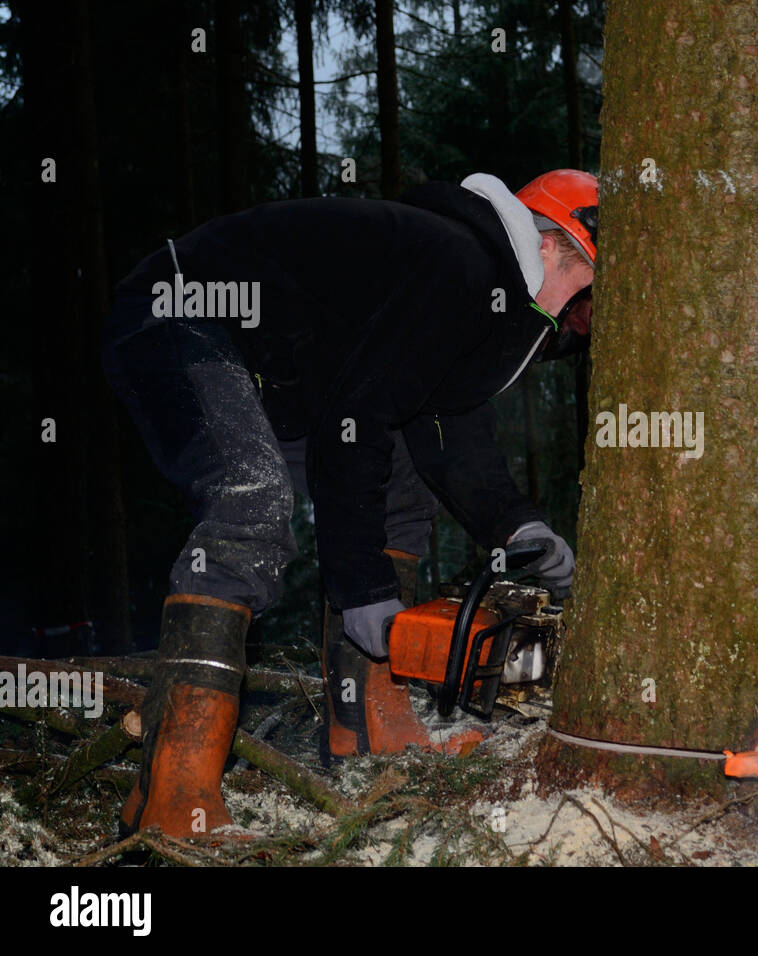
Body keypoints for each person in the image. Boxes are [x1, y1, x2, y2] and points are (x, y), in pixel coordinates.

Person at [102, 169, 597, 838]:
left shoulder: (481, 294)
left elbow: (444, 430)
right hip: (181, 313)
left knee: (402, 481)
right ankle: (175, 789)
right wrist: (361, 584)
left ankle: (366, 728)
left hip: (278, 366)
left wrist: (518, 527)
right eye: (586, 297)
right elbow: (354, 424)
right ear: (549, 247)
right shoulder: (459, 268)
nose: (578, 324)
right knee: (252, 501)